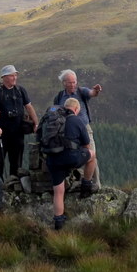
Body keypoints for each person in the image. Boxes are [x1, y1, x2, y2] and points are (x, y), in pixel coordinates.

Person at [46, 98, 97, 230]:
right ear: (76, 109)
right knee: (92, 155)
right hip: (71, 158)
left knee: (58, 192)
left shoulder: (52, 120)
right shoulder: (77, 120)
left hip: (52, 159)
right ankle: (86, 185)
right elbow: (86, 145)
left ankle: (58, 222)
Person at [54, 69, 103, 189]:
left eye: (74, 82)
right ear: (64, 83)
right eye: (70, 82)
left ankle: (96, 184)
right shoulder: (59, 96)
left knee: (91, 155)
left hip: (85, 129)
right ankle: (79, 182)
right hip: (69, 132)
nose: (73, 85)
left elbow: (91, 93)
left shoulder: (82, 91)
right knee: (76, 157)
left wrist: (96, 91)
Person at [0, 65, 39, 179]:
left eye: (15, 75)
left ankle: (15, 184)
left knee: (16, 161)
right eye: (12, 75)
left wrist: (36, 123)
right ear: (4, 77)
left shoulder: (20, 90)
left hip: (17, 132)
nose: (15, 78)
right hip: (1, 132)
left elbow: (29, 107)